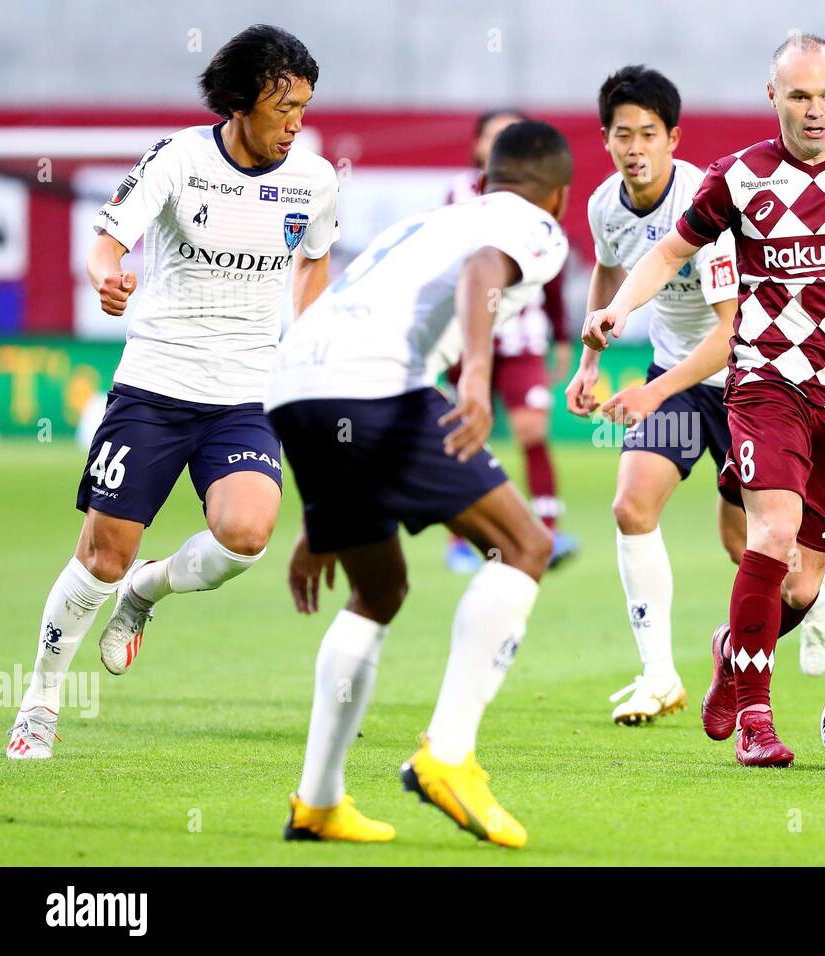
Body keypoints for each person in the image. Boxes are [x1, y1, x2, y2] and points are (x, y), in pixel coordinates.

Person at [582, 35, 825, 766]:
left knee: (804, 583)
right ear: (773, 98)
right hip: (764, 384)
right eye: (798, 96)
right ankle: (757, 718)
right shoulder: (738, 178)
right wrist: (620, 312)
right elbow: (666, 253)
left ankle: (735, 652)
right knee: (772, 531)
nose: (814, 111)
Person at [7, 24, 338, 759]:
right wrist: (106, 278)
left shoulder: (314, 179)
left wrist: (312, 342)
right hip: (155, 386)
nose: (295, 124)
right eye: (283, 107)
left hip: (247, 392)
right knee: (100, 557)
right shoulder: (178, 159)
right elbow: (106, 241)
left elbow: (314, 262)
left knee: (248, 533)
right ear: (240, 102)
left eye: (305, 109)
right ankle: (40, 698)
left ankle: (147, 592)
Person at [265, 120, 571, 848]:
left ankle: (318, 800)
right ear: (557, 194)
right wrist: (476, 377)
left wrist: (323, 513)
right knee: (526, 545)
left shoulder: (427, 220)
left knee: (380, 588)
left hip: (294, 386)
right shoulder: (531, 225)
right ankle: (449, 755)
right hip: (377, 392)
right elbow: (482, 276)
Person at [567, 65, 825, 728]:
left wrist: (650, 391)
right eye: (622, 134)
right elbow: (611, 272)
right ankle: (658, 676)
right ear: (605, 139)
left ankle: (820, 589)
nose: (635, 147)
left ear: (673, 139)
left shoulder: (706, 207)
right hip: (679, 388)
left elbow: (733, 330)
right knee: (632, 506)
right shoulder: (606, 204)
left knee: (747, 549)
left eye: (648, 134)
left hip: (753, 387)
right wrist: (589, 363)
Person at [443, 110, 577, 573]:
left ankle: (546, 530)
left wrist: (561, 336)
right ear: (480, 146)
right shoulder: (458, 194)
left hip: (522, 336)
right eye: (494, 136)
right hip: (465, 336)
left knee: (531, 431)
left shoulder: (538, 204)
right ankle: (462, 538)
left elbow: (553, 277)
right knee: (463, 430)